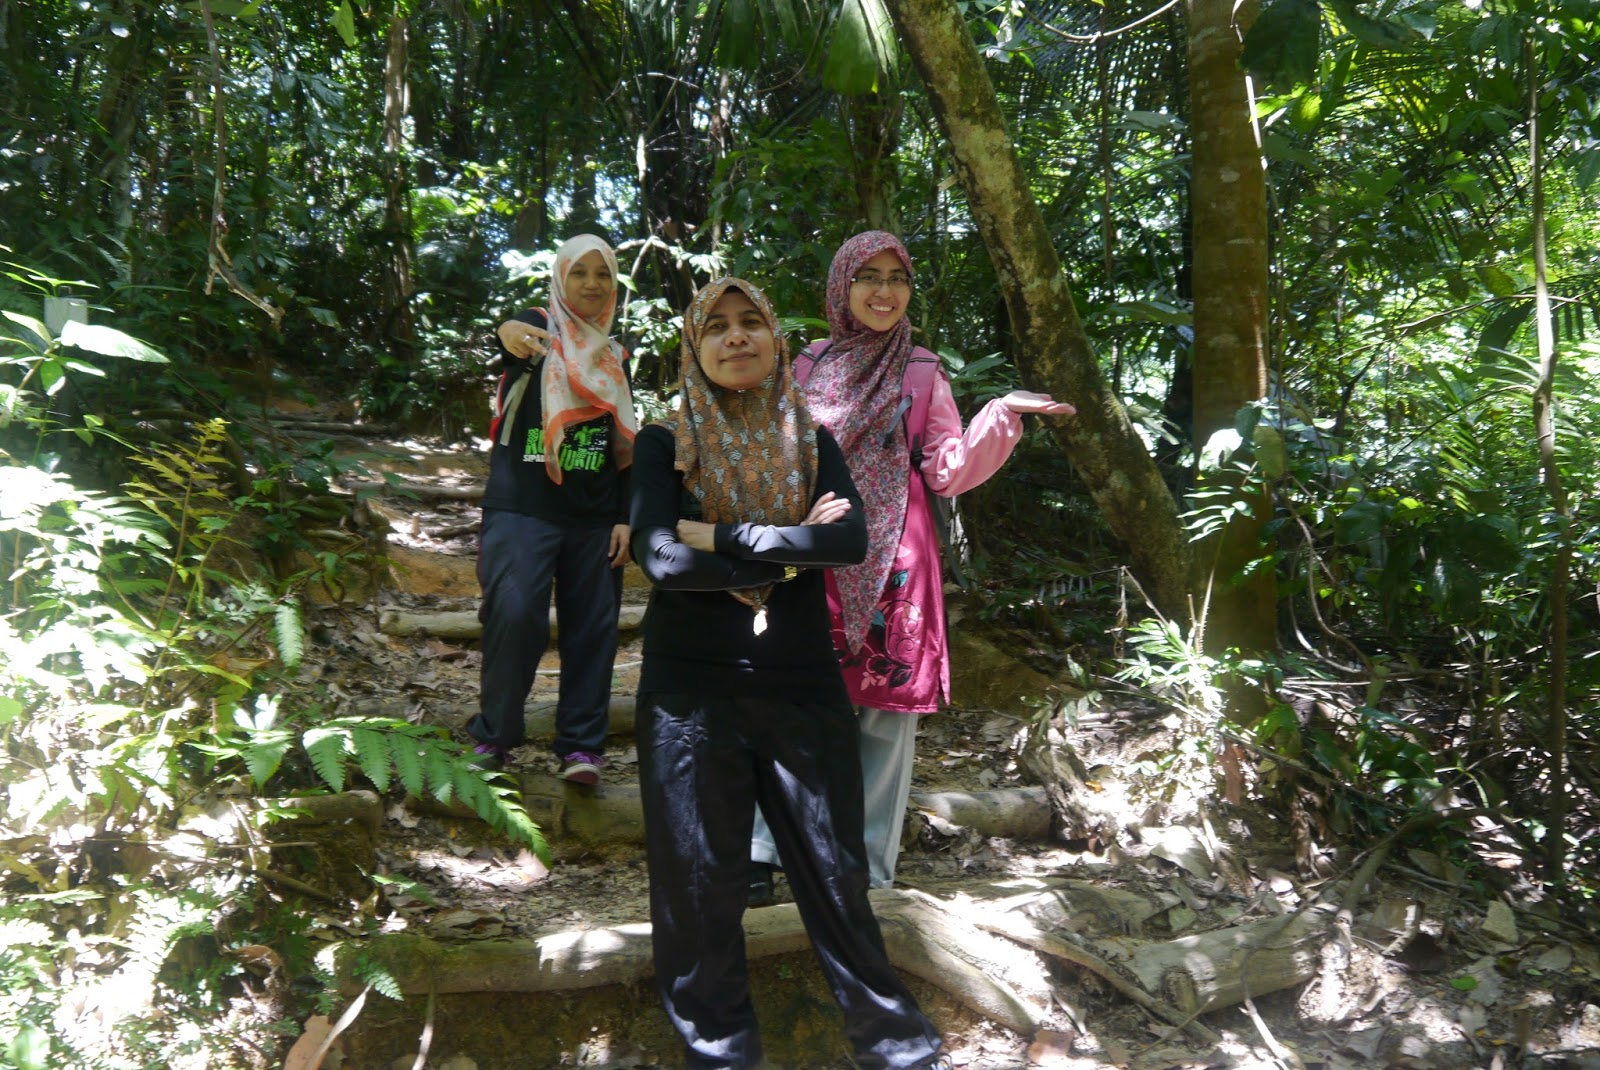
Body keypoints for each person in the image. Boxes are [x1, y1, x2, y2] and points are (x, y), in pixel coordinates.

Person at [631, 276, 950, 1070]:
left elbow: (845, 545)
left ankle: (898, 1046)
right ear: (694, 348)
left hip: (801, 684)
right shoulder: (663, 442)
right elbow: (661, 559)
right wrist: (786, 540)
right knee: (700, 887)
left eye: (752, 325)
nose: (736, 338)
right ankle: (721, 1051)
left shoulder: (813, 441)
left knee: (835, 875)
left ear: (778, 341)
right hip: (690, 692)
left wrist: (720, 534)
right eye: (718, 328)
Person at [750, 230, 1076, 897]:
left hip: (896, 562)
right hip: (814, 554)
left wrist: (1001, 415)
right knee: (790, 702)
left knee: (885, 715)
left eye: (896, 279)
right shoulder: (806, 365)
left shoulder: (923, 372)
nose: (883, 291)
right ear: (842, 285)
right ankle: (763, 851)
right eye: (868, 276)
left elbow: (948, 470)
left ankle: (864, 869)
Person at [466, 233, 636, 785]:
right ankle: (495, 734)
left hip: (594, 515)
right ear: (560, 279)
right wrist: (508, 332)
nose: (591, 284)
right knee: (514, 616)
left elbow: (624, 446)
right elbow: (510, 336)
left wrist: (625, 516)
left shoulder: (614, 356)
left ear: (613, 286)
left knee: (594, 630)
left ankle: (581, 748)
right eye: (579, 273)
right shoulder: (537, 328)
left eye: (602, 274)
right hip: (522, 505)